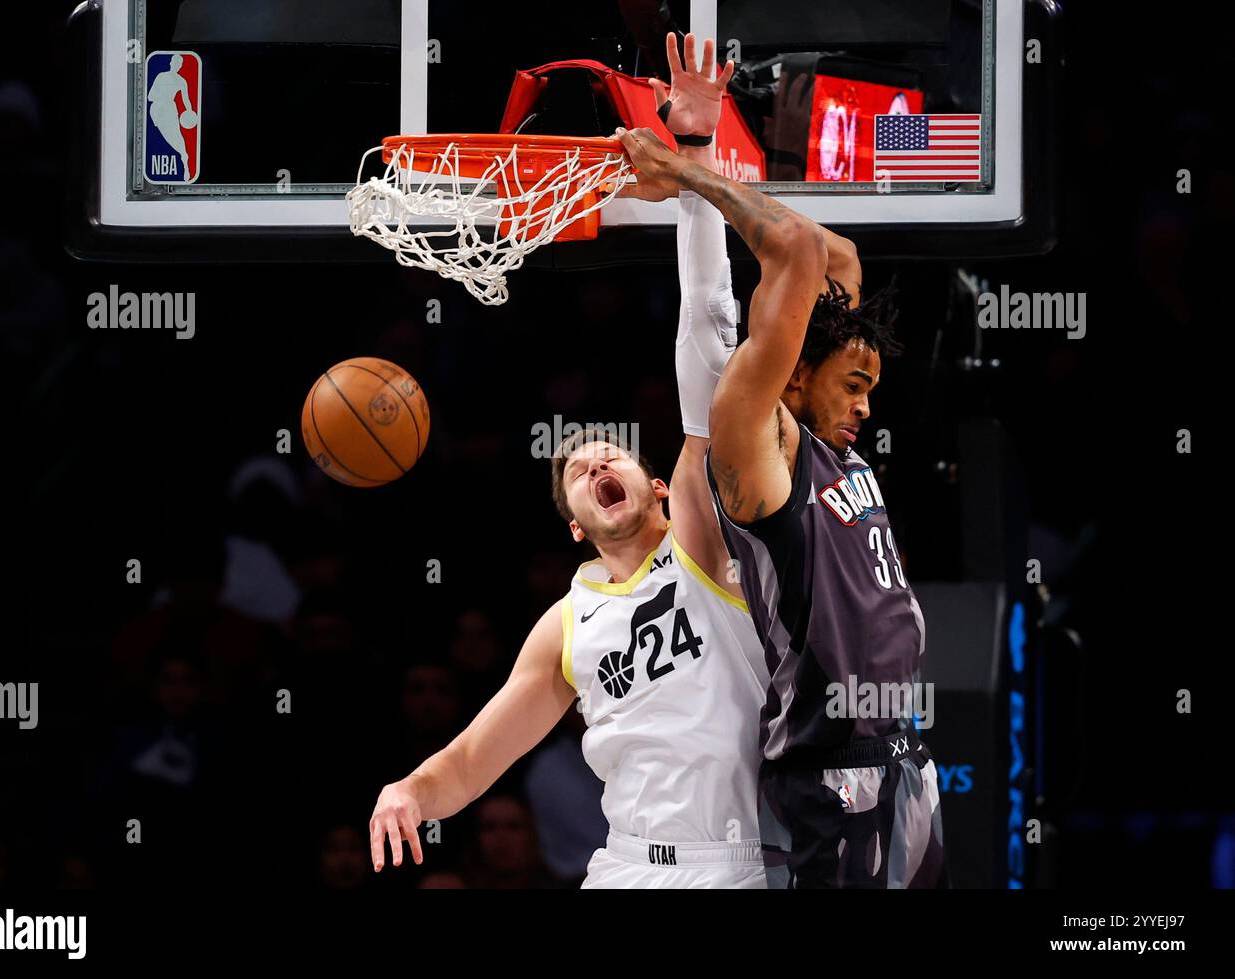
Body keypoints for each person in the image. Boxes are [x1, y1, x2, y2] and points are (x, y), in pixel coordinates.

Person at [370, 32, 769, 888]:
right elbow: (474, 756)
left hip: (731, 866)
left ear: (661, 488)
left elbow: (707, 329)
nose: (592, 469)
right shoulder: (568, 622)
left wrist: (696, 156)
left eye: (608, 458)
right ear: (578, 529)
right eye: (577, 475)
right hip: (619, 868)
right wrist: (408, 789)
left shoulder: (703, 539)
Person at [615, 31, 948, 889]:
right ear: (796, 374)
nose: (870, 406)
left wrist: (699, 147)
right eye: (856, 383)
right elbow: (795, 257)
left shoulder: (825, 436)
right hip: (833, 772)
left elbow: (836, 258)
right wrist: (687, 164)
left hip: (904, 755)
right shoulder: (757, 442)